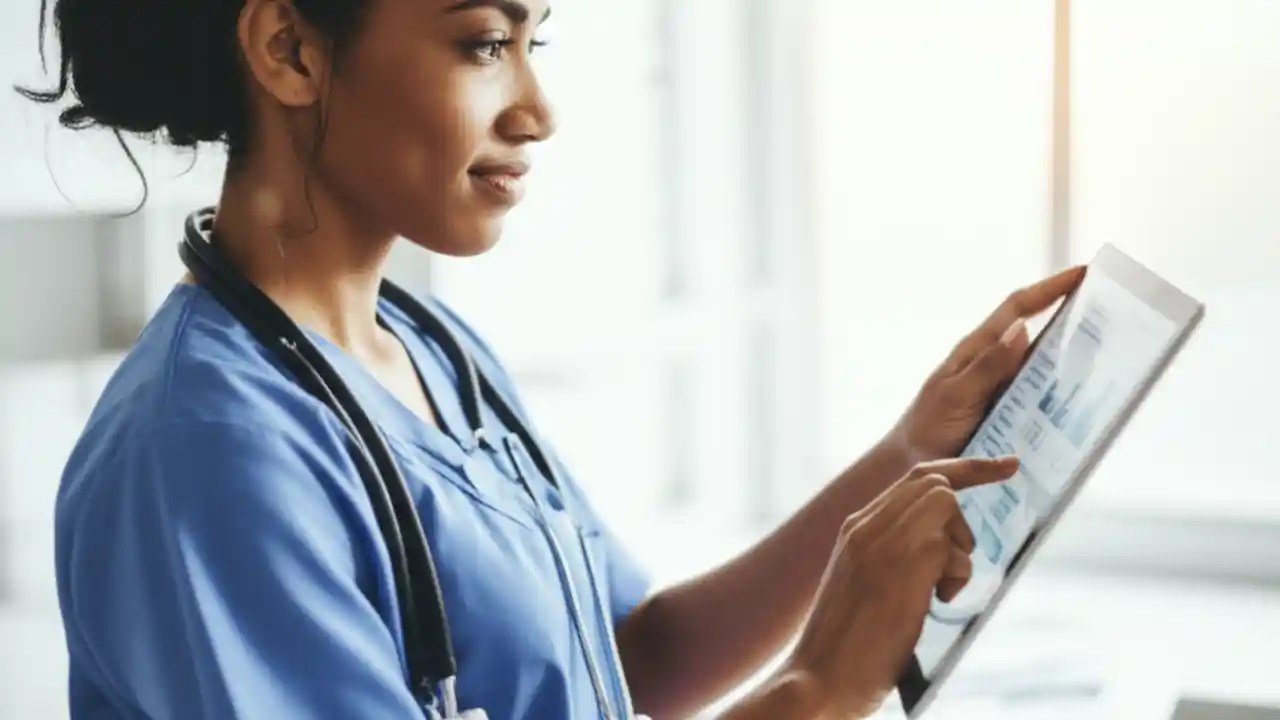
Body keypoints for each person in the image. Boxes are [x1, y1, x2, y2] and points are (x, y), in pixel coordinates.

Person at [20, 0, 1084, 717]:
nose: (536, 112)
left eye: (537, 41)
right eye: (485, 43)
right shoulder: (206, 455)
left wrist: (904, 455)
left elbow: (632, 661)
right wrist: (819, 689)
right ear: (290, 51)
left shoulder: (431, 350)